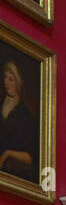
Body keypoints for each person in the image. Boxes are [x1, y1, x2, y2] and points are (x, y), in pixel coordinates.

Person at [0, 58, 39, 186]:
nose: (7, 82)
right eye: (5, 78)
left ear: (18, 82)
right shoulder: (1, 104)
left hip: (11, 175)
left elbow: (30, 157)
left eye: (11, 79)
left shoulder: (26, 115)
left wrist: (7, 154)